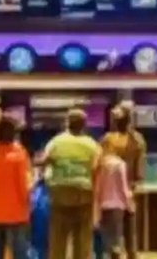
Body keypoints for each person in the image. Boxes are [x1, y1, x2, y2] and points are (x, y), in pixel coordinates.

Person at [43, 108, 100, 259]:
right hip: (84, 196)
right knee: (82, 241)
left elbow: (45, 164)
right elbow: (96, 170)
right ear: (84, 125)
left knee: (57, 240)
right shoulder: (92, 145)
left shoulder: (55, 142)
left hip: (60, 195)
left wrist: (50, 184)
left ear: (67, 123)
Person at [0, 116, 31, 259]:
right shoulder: (19, 155)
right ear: (13, 134)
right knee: (19, 250)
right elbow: (23, 185)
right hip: (16, 212)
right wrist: (28, 204)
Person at [100, 105, 146, 259]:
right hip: (121, 189)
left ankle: (126, 254)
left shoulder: (113, 139)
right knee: (122, 229)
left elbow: (140, 163)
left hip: (121, 189)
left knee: (122, 229)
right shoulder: (131, 138)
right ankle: (125, 254)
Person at [93, 140, 135, 259]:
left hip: (103, 206)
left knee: (105, 240)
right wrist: (130, 204)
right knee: (116, 241)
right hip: (117, 206)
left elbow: (97, 189)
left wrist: (96, 209)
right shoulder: (120, 164)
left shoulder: (101, 164)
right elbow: (123, 187)